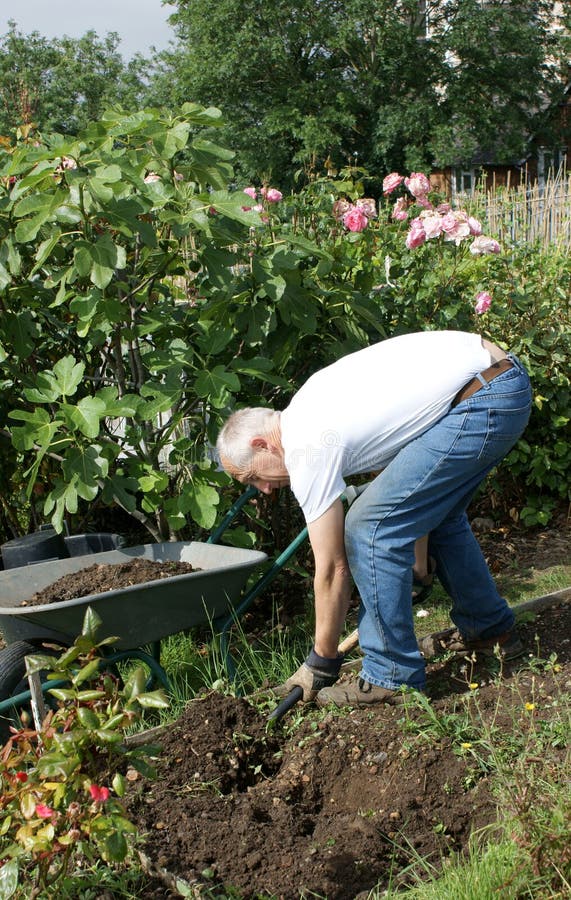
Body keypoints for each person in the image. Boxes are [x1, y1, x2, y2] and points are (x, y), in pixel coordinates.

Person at [216, 330, 532, 706]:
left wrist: (322, 659)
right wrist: (416, 564)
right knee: (441, 517)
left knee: (367, 528)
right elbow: (406, 481)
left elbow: (333, 568)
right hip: (498, 383)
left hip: (482, 396)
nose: (264, 490)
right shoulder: (309, 408)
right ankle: (490, 630)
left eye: (254, 478)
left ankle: (391, 675)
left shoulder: (305, 446)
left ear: (261, 444)